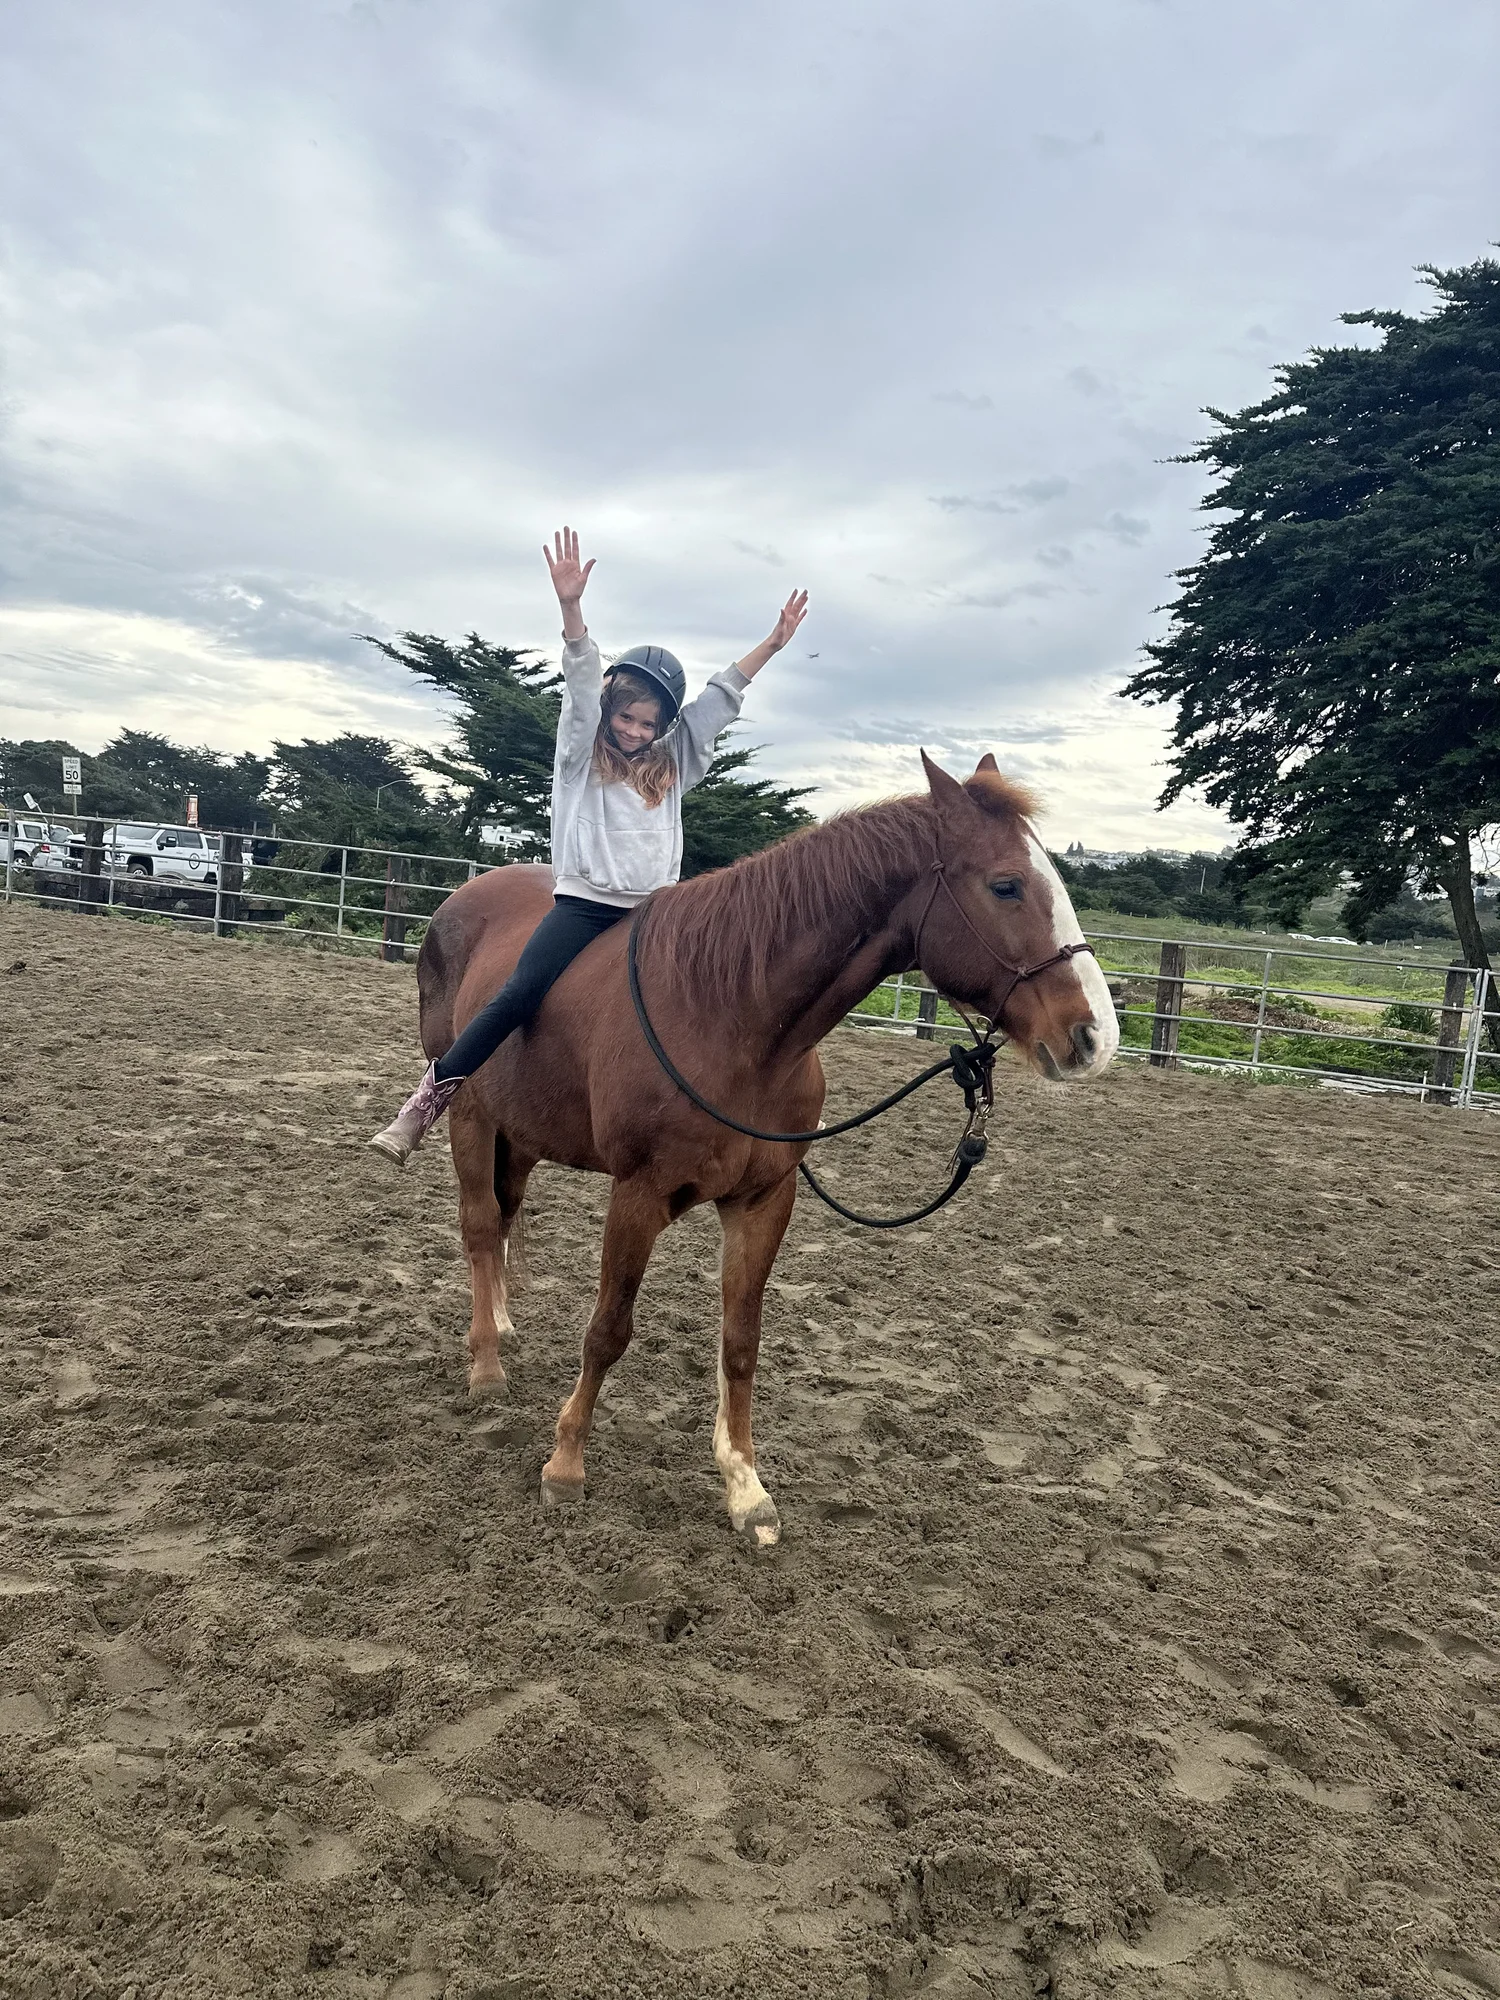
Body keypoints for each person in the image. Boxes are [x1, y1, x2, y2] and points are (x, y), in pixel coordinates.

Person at [369, 527, 808, 1164]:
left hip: (657, 914)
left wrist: (771, 643)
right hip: (582, 907)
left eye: (647, 722)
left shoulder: (675, 762)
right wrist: (572, 612)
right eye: (626, 717)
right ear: (609, 713)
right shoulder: (579, 757)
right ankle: (425, 1104)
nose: (634, 730)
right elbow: (578, 686)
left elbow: (720, 700)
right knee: (517, 995)